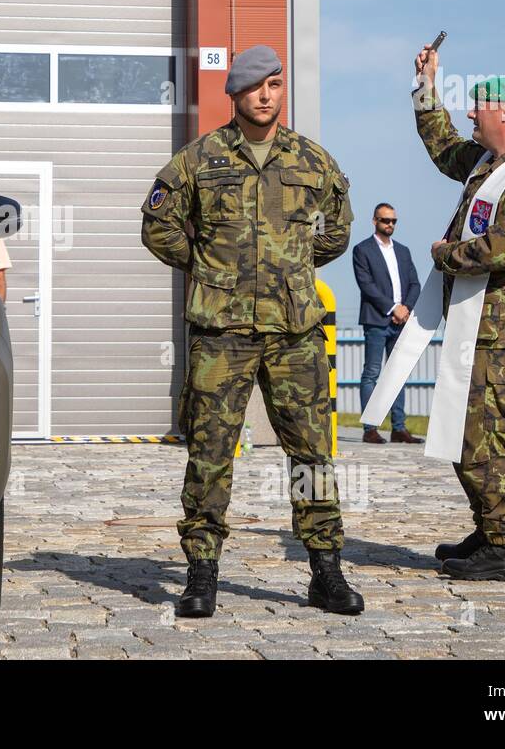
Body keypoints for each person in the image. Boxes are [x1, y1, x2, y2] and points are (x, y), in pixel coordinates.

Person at [141, 45, 364, 617]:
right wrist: (208, 268)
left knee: (312, 453)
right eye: (254, 87)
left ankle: (326, 571)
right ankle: (201, 573)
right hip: (223, 332)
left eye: (274, 85)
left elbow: (338, 227)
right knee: (211, 452)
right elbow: (157, 223)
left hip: (294, 331)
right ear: (235, 95)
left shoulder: (311, 160)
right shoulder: (200, 160)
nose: (266, 96)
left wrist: (294, 266)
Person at [406, 43, 505, 581]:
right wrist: (427, 86)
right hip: (478, 324)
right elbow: (443, 147)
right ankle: (489, 527)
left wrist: (446, 255)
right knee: (463, 429)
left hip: (502, 329)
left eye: (479, 105)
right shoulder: (491, 165)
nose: (470, 112)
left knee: (487, 433)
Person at [352, 203, 423, 444]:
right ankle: (370, 428)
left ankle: (398, 428)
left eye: (393, 221)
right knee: (372, 373)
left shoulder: (403, 251)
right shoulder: (362, 250)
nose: (389, 224)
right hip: (376, 320)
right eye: (385, 220)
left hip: (401, 322)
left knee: (397, 374)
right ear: (375, 221)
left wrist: (405, 309)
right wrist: (393, 308)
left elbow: (415, 283)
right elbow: (366, 285)